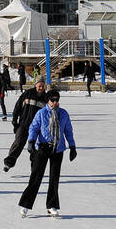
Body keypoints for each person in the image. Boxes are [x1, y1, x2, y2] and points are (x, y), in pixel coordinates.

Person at [18, 89, 76, 217]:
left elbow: (68, 131)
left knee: (54, 179)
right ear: (48, 101)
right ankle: (25, 204)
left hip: (58, 149)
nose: (55, 103)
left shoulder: (63, 114)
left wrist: (72, 146)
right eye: (52, 100)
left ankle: (52, 205)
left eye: (57, 100)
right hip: (43, 148)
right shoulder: (41, 113)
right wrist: (31, 141)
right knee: (36, 177)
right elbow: (33, 127)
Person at [3, 79, 49, 171]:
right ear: (35, 85)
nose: (41, 88)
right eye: (39, 86)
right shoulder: (27, 94)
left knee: (35, 148)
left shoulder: (46, 98)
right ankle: (9, 163)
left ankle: (35, 169)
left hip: (37, 128)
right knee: (18, 143)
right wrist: (14, 122)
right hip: (24, 124)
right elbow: (18, 106)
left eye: (42, 86)